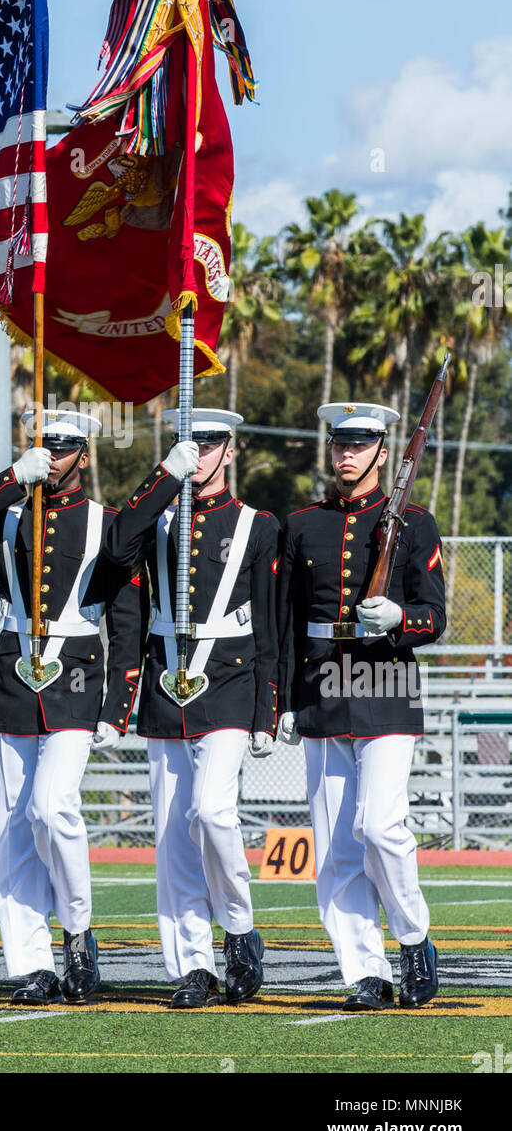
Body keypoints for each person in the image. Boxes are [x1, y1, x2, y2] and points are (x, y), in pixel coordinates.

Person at [0, 408, 144, 1005]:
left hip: (77, 675)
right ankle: (30, 963)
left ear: (85, 455)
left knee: (53, 809)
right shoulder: (4, 516)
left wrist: (118, 703)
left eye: (63, 449)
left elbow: (126, 621)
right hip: (9, 674)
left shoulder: (107, 524)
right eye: (44, 447)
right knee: (14, 831)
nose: (52, 458)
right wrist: (9, 478)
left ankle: (78, 931)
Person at [104, 408, 279, 1009]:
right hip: (163, 682)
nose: (199, 454)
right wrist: (160, 478)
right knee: (173, 837)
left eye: (209, 445)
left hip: (229, 680)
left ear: (230, 451)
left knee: (212, 813)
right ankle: (192, 966)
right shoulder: (157, 519)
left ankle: (239, 927)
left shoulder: (259, 526)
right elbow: (116, 549)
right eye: (189, 444)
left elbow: (270, 627)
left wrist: (268, 710)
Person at [277, 401, 446, 1011]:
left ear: (382, 451)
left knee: (381, 827)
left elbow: (436, 617)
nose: (345, 454)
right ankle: (363, 971)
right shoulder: (303, 525)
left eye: (359, 444)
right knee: (336, 846)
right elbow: (289, 620)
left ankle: (413, 936)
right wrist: (286, 701)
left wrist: (402, 619)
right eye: (338, 444)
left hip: (387, 688)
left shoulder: (414, 524)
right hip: (322, 691)